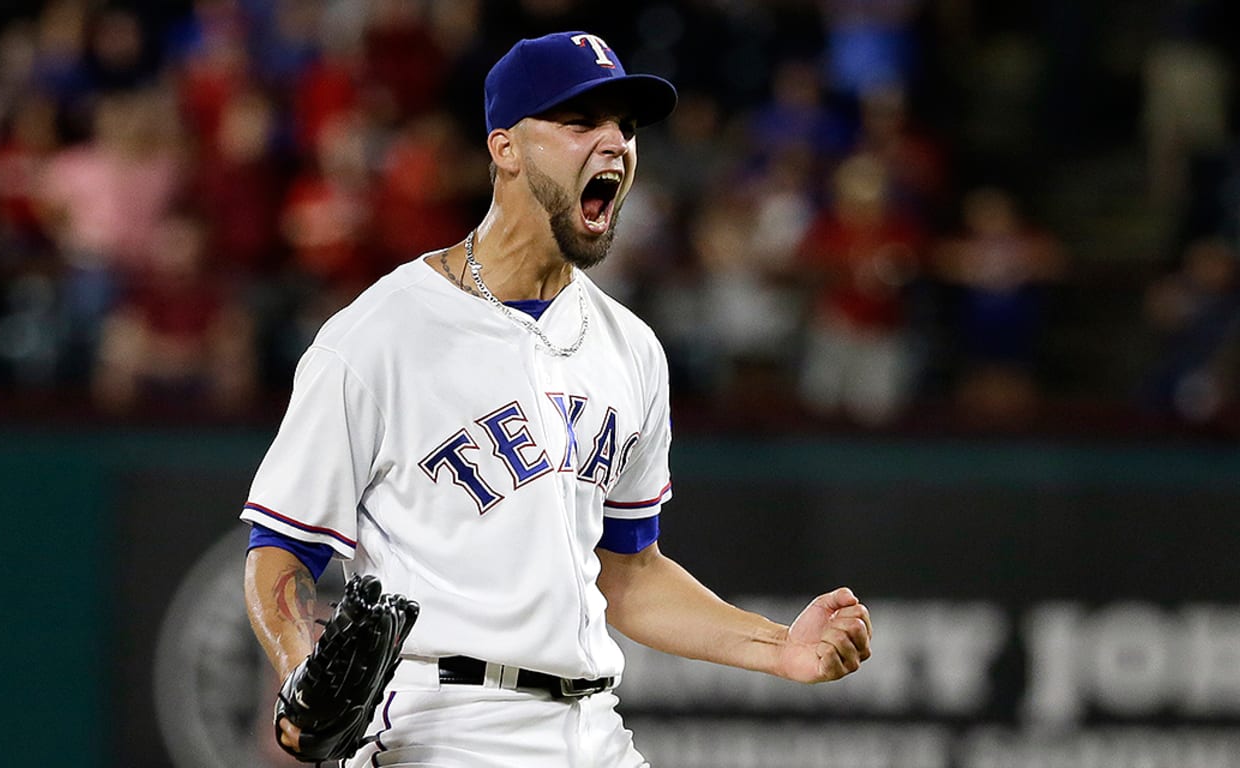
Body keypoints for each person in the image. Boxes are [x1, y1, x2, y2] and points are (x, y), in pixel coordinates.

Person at [241, 32, 873, 767]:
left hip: (594, 731)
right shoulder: (378, 336)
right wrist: (299, 671)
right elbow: (280, 548)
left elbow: (628, 573)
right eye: (580, 123)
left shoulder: (630, 348)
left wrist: (779, 649)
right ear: (505, 149)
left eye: (626, 127)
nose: (615, 144)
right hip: (443, 732)